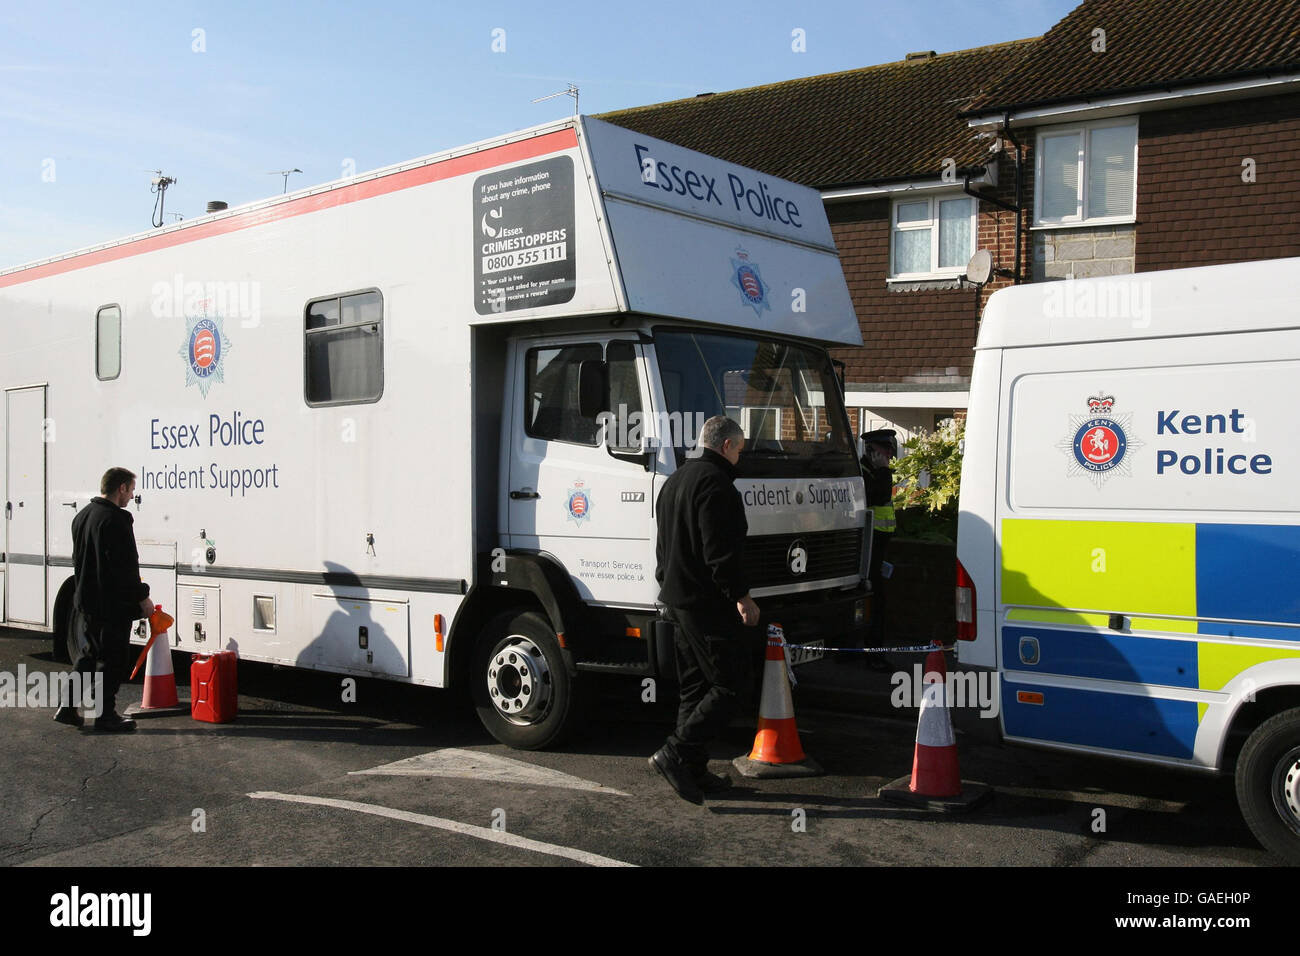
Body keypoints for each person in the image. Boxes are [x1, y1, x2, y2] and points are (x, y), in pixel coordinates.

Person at [649, 415, 760, 804]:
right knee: (732, 683)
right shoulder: (718, 486)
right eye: (740, 450)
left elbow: (664, 546)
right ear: (727, 446)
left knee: (695, 687)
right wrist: (741, 596)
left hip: (676, 599)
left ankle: (693, 769)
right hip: (705, 602)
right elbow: (720, 552)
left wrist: (666, 581)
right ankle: (675, 753)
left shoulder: (675, 480)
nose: (740, 458)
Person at [56, 468, 154, 732]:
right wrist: (142, 596)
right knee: (112, 660)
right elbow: (125, 567)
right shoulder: (116, 520)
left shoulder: (81, 517)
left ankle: (67, 706)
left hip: (86, 603)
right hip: (113, 605)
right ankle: (104, 715)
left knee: (88, 656)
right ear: (120, 487)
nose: (132, 496)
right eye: (131, 490)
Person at [860, 430, 898, 654]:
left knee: (877, 602)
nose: (890, 455)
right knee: (876, 603)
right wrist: (884, 470)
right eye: (886, 450)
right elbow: (880, 495)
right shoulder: (866, 472)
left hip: (878, 547)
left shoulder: (875, 471)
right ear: (873, 451)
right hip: (868, 548)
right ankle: (874, 654)